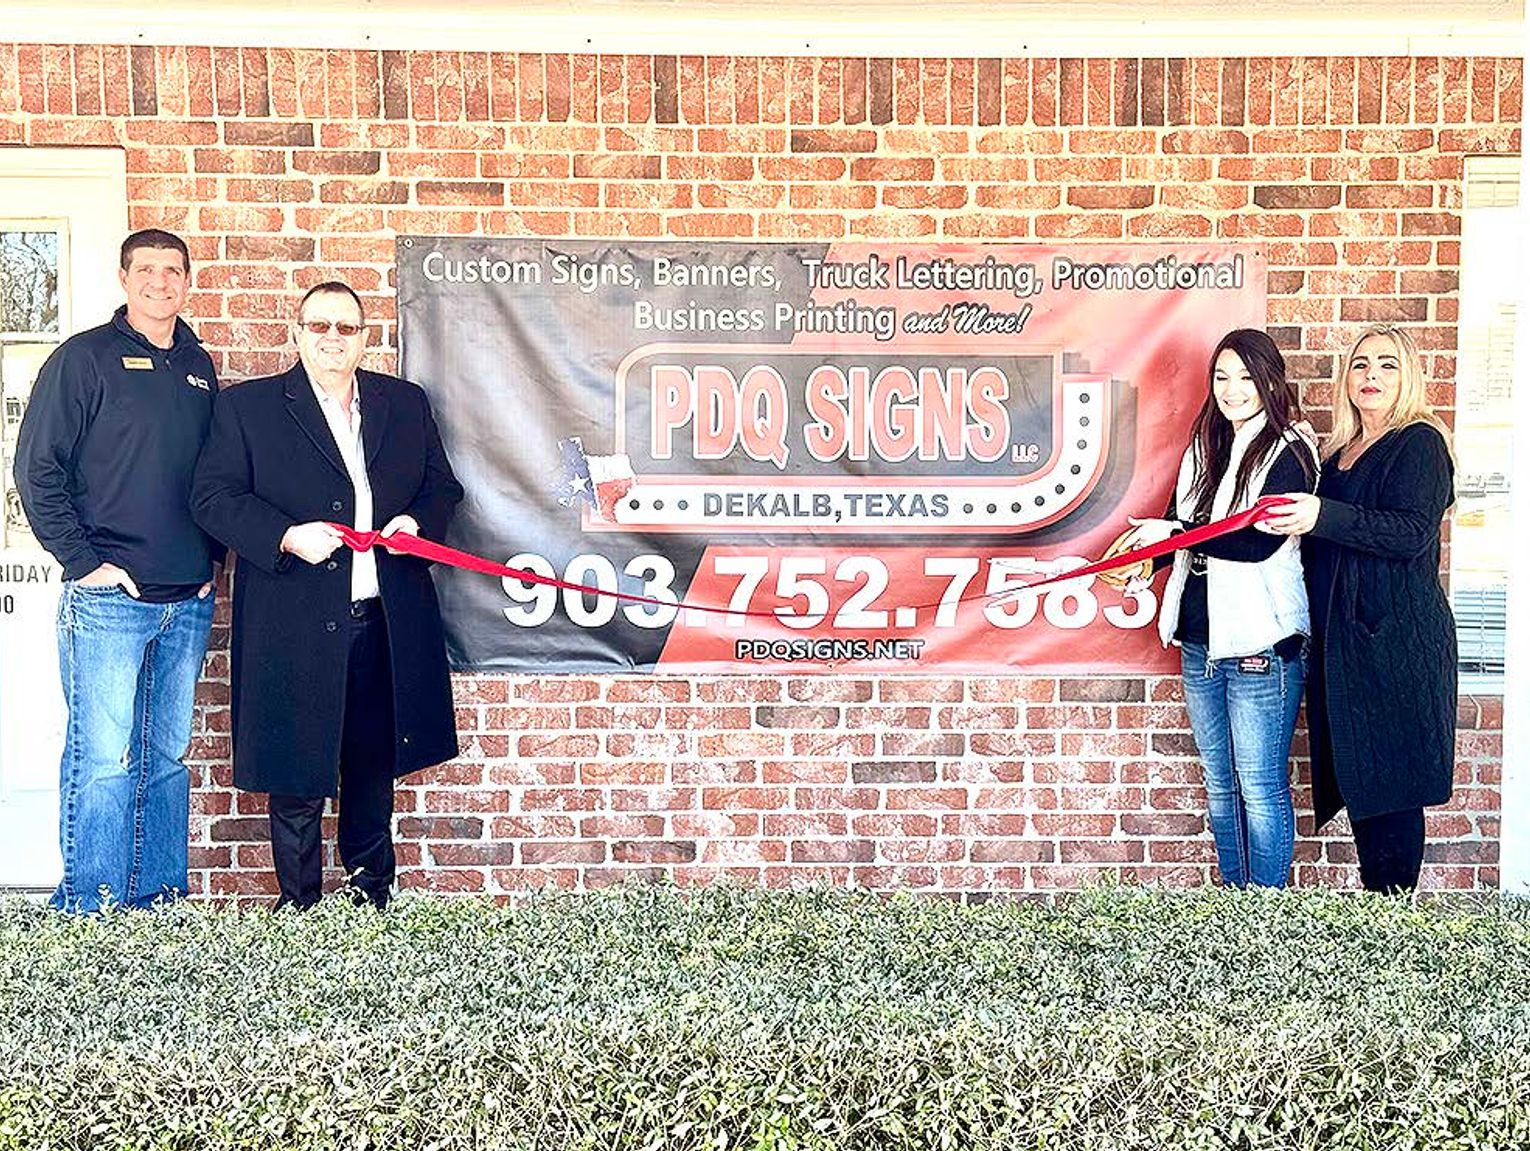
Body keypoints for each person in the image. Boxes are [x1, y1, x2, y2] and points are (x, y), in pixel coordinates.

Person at [191, 281, 462, 909]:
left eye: (346, 328)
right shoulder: (249, 409)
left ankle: (373, 896)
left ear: (366, 337)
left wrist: (415, 526)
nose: (332, 339)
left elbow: (440, 488)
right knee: (297, 769)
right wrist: (285, 536)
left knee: (372, 763)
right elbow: (213, 497)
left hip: (382, 618)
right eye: (319, 327)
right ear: (297, 333)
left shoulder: (404, 404)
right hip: (294, 616)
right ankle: (302, 909)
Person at [12, 228, 219, 913]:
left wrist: (210, 564)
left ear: (188, 280)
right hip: (110, 599)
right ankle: (91, 908)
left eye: (173, 270)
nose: (161, 282)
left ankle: (157, 902)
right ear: (124, 278)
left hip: (186, 599)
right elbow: (35, 470)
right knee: (104, 761)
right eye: (147, 270)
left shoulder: (198, 365)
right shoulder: (84, 360)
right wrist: (84, 562)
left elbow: (211, 478)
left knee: (165, 762)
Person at [1118, 329, 1318, 888]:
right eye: (1222, 377)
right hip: (1201, 640)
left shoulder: (1291, 451)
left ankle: (1266, 916)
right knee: (1220, 784)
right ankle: (1235, 906)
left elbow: (1255, 542)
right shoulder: (1206, 443)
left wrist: (1174, 536)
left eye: (1247, 378)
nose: (1233, 390)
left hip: (1260, 644)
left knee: (1259, 786)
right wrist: (1145, 561)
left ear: (1271, 382)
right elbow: (1174, 527)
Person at [1263, 325, 1456, 893]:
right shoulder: (1338, 453)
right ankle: (1379, 926)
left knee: (1391, 789)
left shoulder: (1418, 442)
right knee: (1366, 784)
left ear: (1409, 377)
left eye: (1387, 366)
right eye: (1362, 365)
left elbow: (1409, 533)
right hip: (1346, 645)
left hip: (1395, 644)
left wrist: (1320, 515)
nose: (1371, 377)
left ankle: (1393, 928)